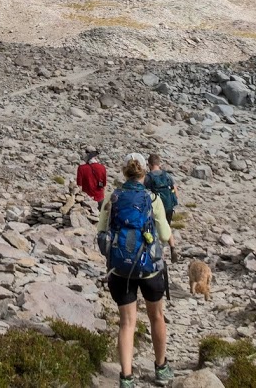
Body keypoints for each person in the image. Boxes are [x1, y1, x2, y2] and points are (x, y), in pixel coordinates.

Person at [96, 155, 174, 387]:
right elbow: (165, 234)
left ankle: (126, 378)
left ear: (124, 172)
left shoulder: (113, 197)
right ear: (144, 173)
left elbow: (101, 231)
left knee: (127, 323)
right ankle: (161, 368)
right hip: (149, 269)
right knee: (156, 316)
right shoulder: (152, 198)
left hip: (120, 270)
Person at [145, 154, 178, 220]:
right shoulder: (167, 176)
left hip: (154, 211)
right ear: (159, 163)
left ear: (149, 164)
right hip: (168, 209)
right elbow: (176, 194)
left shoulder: (147, 178)